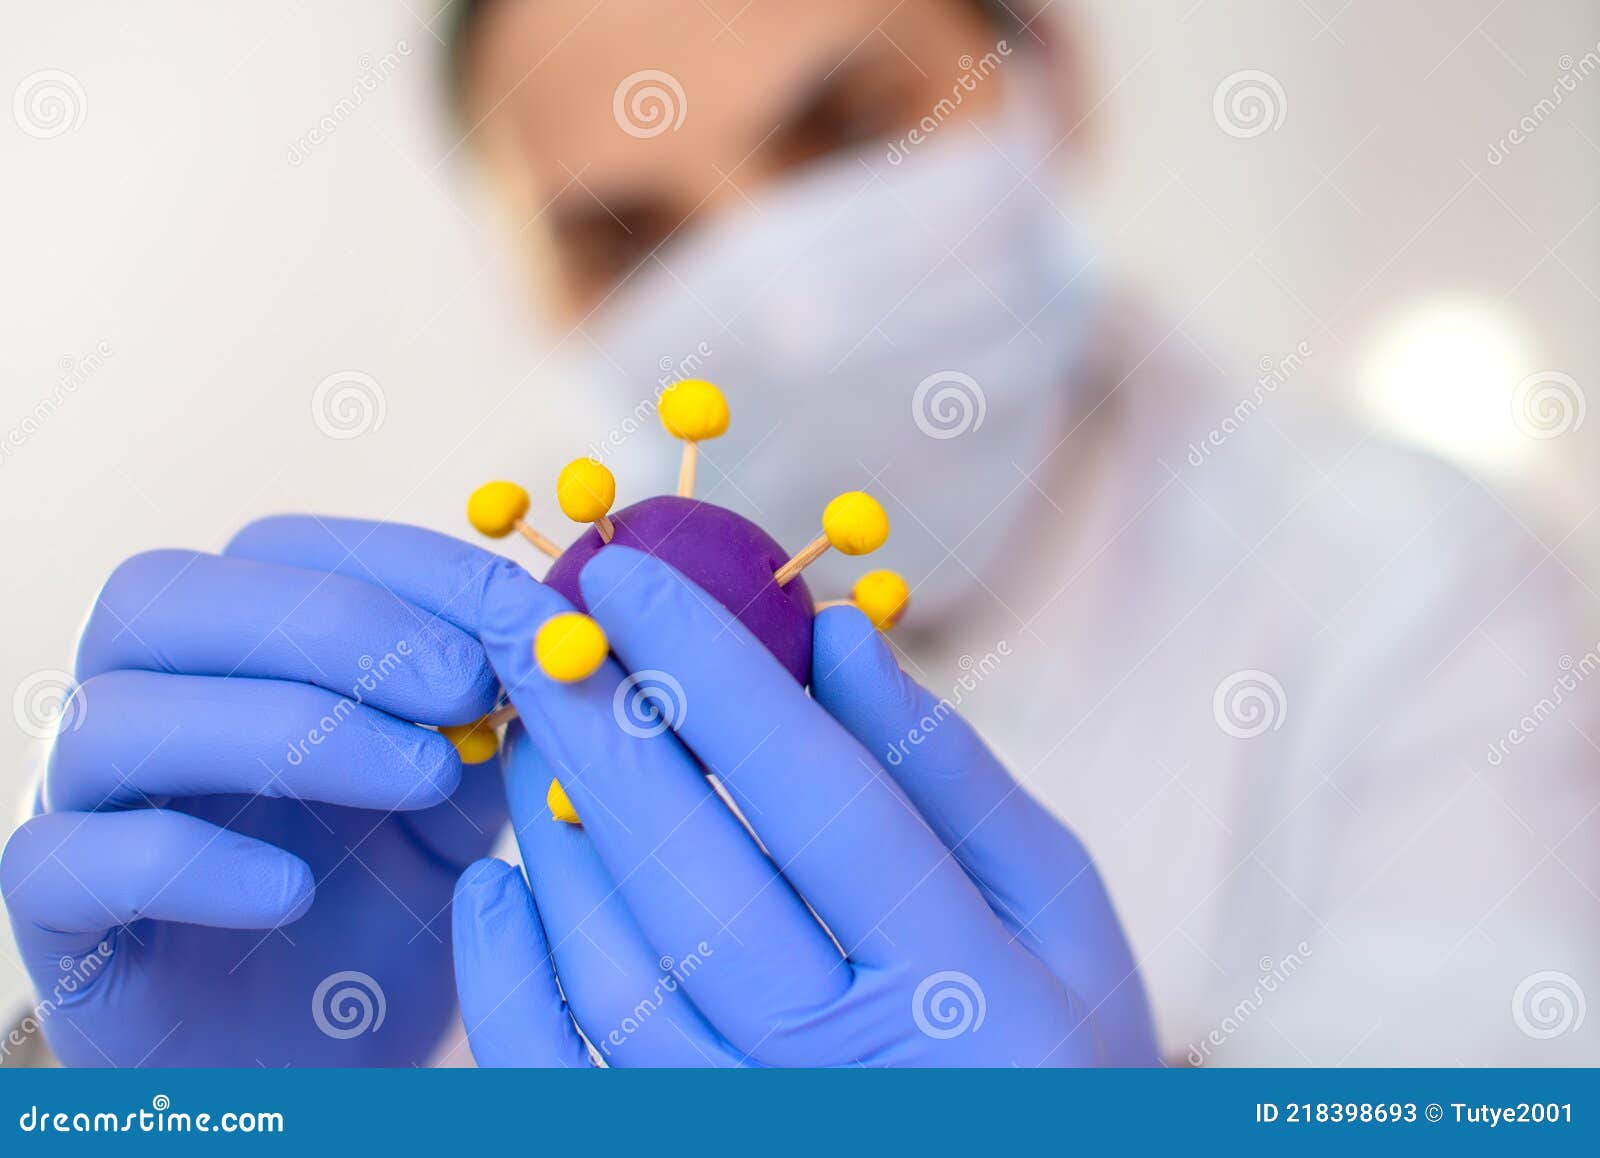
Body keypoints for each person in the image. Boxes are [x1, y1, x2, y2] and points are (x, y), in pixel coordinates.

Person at [3, 0, 1596, 1067]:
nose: (779, 287)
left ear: (1054, 80)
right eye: (629, 231)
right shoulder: (463, 673)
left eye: (848, 136)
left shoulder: (1414, 592)